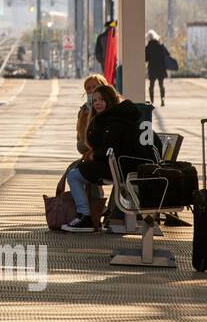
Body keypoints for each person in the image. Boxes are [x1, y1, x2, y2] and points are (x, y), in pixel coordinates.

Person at [62, 84, 154, 232]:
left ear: (110, 100)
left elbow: (111, 148)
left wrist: (94, 155)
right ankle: (96, 213)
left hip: (121, 168)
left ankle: (85, 216)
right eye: (95, 100)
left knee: (74, 175)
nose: (97, 103)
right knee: (80, 170)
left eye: (102, 100)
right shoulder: (114, 116)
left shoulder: (113, 120)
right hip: (121, 165)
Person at [145, 30, 170, 106]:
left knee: (151, 85)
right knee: (161, 85)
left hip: (152, 68)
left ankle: (152, 101)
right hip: (161, 68)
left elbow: (146, 59)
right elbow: (168, 55)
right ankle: (162, 99)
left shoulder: (148, 47)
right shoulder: (161, 46)